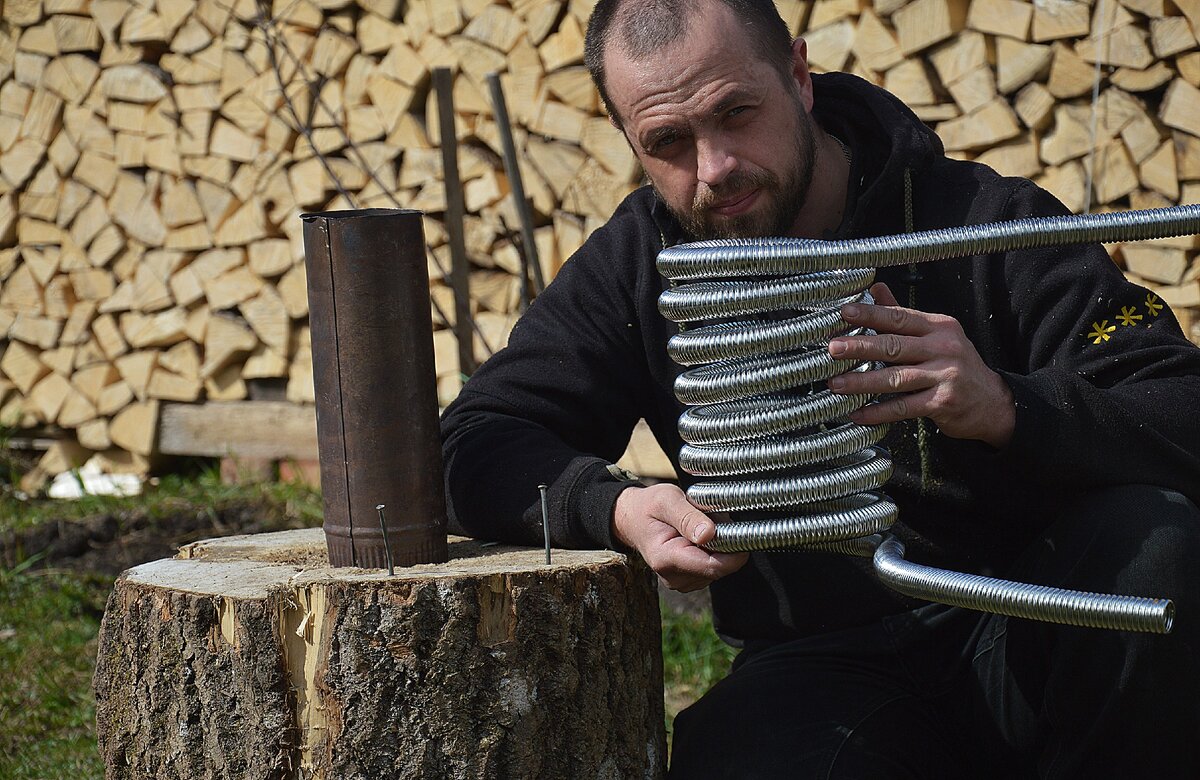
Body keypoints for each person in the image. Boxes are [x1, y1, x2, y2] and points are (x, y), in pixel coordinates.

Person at [441, 0, 1200, 776]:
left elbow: (1180, 404)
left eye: (736, 112)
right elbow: (475, 440)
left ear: (799, 77)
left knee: (1152, 545)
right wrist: (614, 506)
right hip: (817, 669)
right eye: (667, 141)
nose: (715, 169)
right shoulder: (643, 261)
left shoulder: (980, 221)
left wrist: (1007, 406)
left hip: (1028, 627)